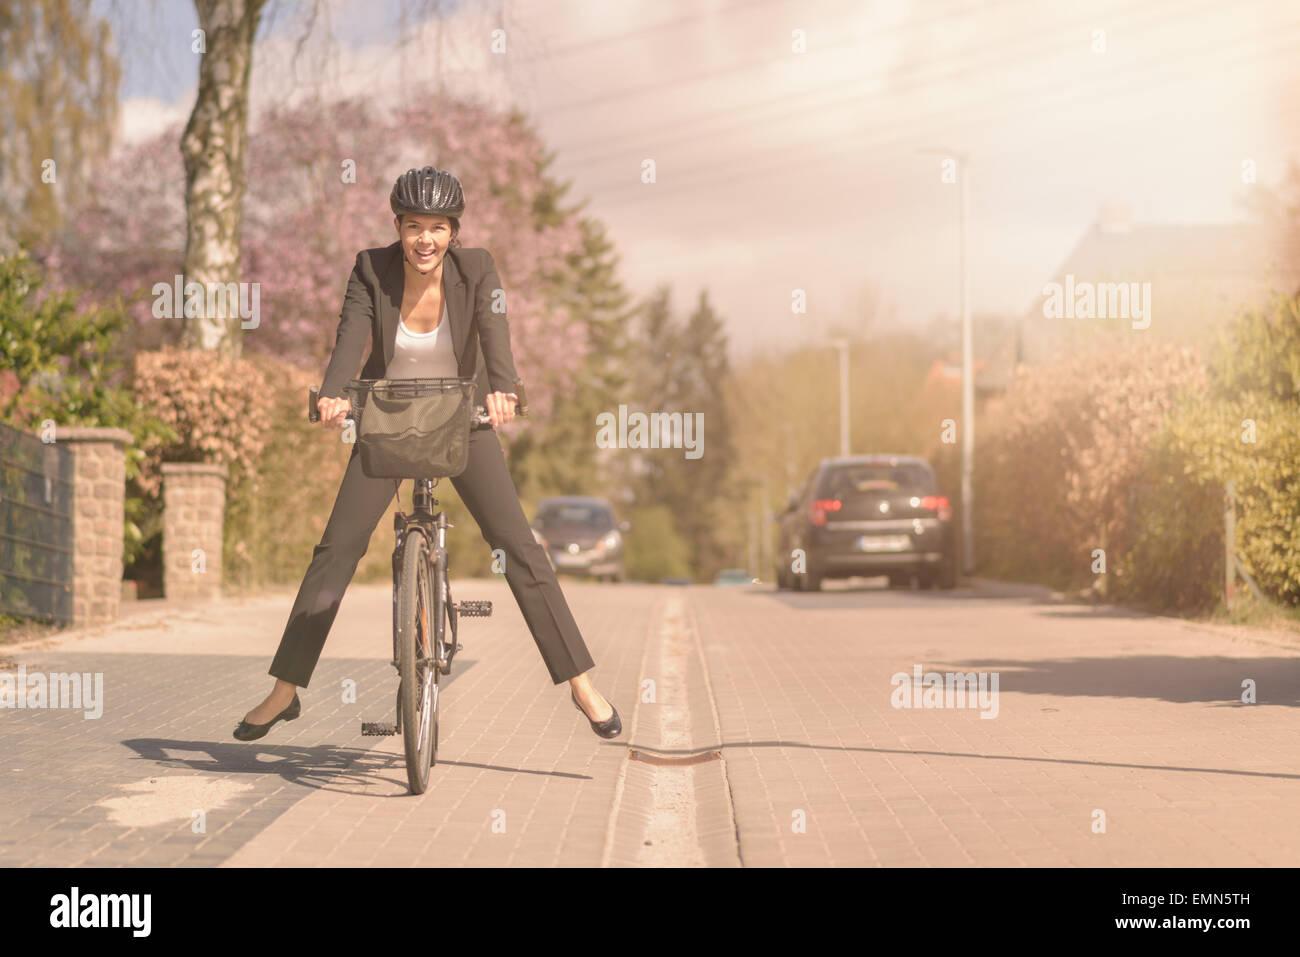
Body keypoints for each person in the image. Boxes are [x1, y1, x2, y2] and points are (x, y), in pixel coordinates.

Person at [233, 166, 620, 742]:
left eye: (438, 228)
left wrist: (504, 389)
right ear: (397, 225)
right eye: (414, 226)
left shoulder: (478, 269)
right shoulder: (371, 268)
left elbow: (495, 331)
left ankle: (581, 683)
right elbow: (351, 338)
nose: (425, 240)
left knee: (516, 545)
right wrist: (335, 393)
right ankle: (285, 690)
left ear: (453, 231)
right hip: (387, 417)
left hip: (463, 416)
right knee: (337, 548)